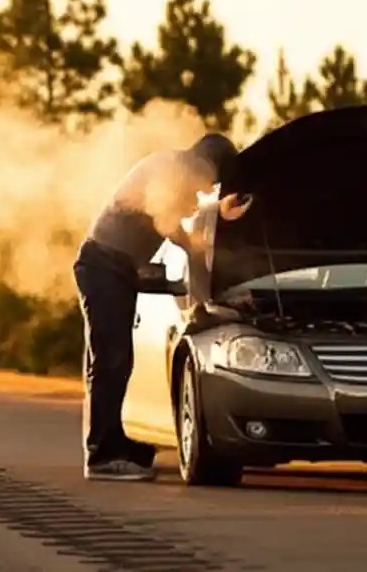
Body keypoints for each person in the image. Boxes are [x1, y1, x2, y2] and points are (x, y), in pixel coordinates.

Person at [73, 132, 251, 481]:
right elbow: (166, 217)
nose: (203, 191)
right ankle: (102, 457)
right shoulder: (168, 169)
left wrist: (216, 208)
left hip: (112, 270)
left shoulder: (173, 169)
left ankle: (114, 444)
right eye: (209, 181)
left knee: (114, 362)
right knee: (110, 361)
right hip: (103, 267)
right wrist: (193, 247)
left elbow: (178, 209)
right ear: (204, 163)